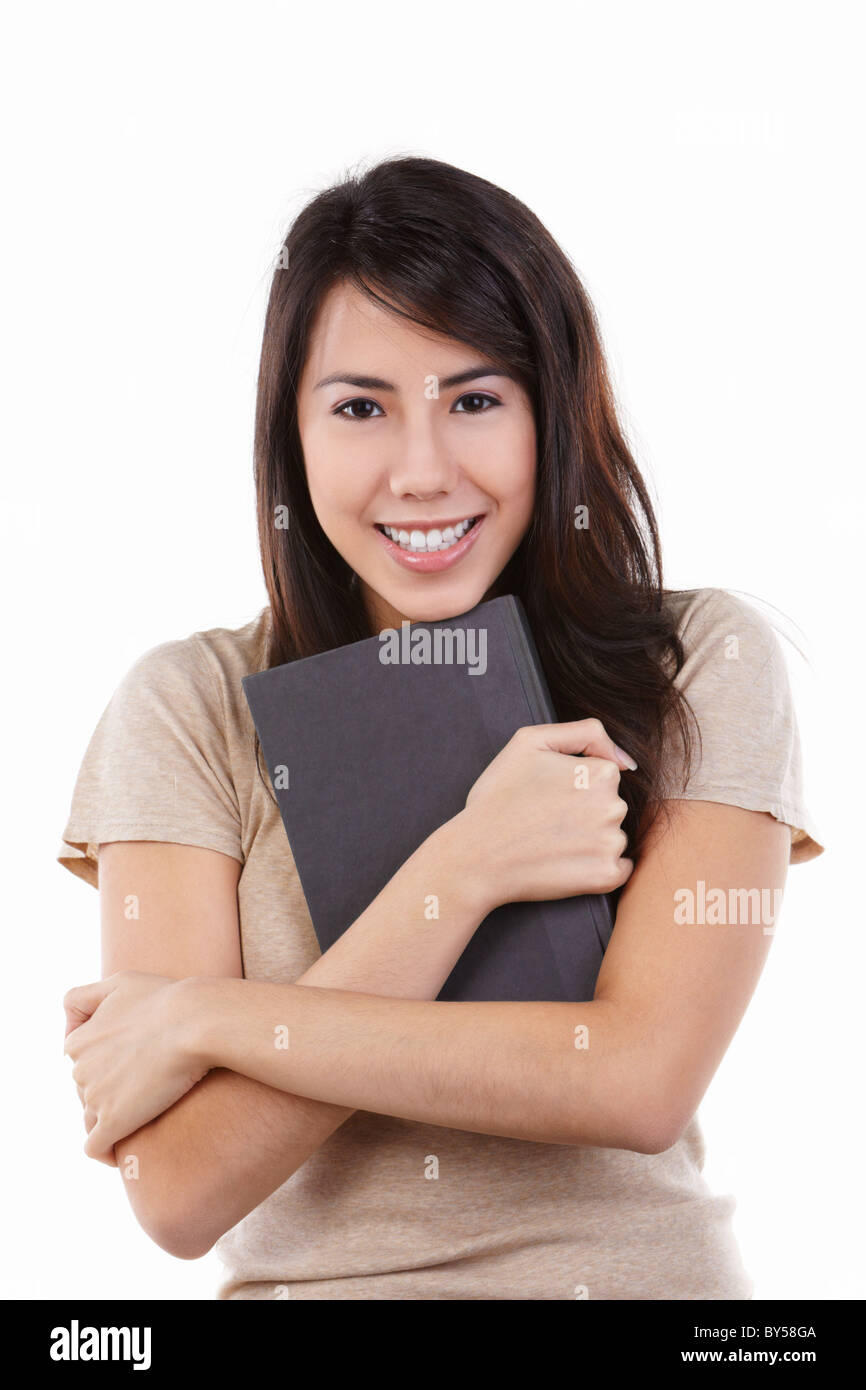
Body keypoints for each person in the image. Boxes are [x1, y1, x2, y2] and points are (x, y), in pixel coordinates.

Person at [57, 154, 824, 1301]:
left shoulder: (699, 662)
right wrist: (463, 871)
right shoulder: (188, 705)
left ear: (548, 411)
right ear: (291, 433)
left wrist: (203, 1018)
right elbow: (175, 1192)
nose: (421, 472)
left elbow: (634, 1081)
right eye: (360, 407)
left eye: (473, 400)